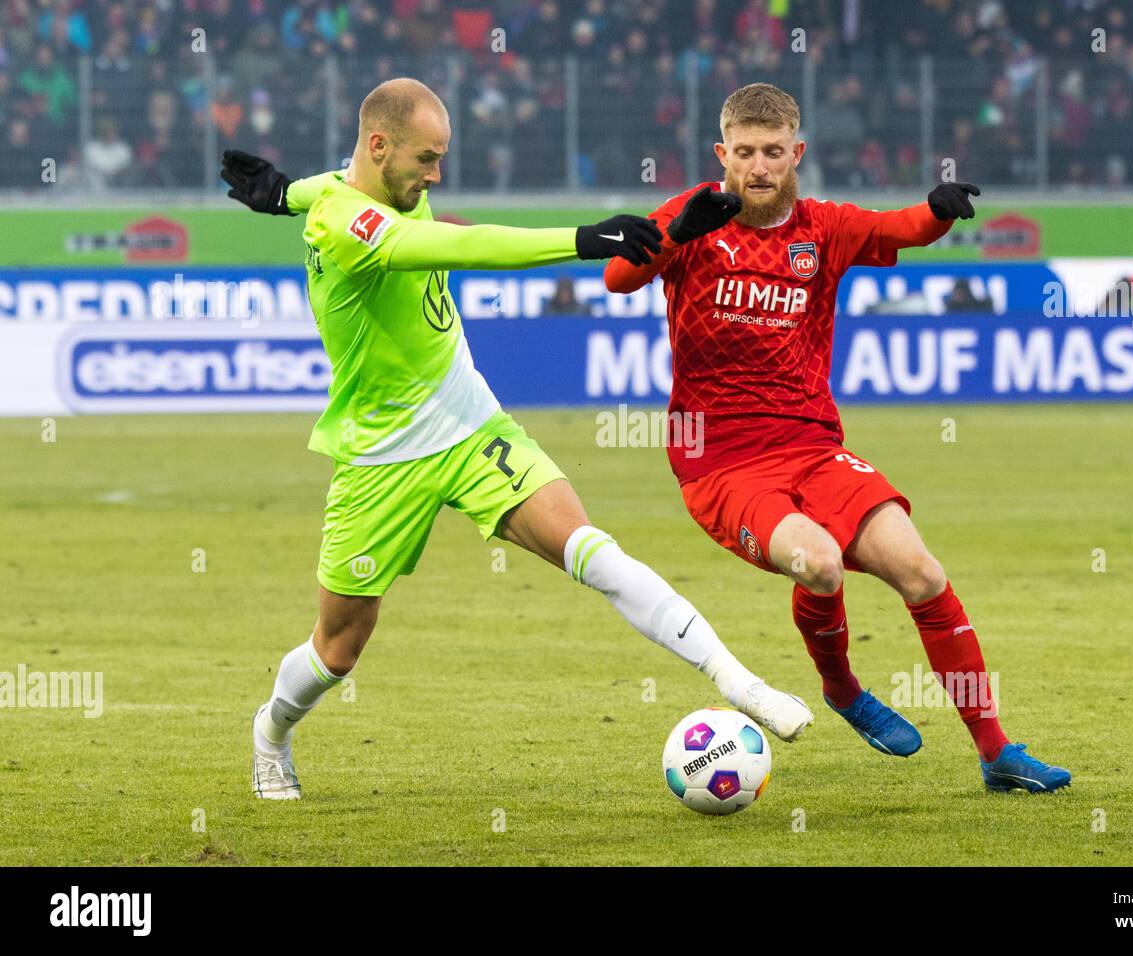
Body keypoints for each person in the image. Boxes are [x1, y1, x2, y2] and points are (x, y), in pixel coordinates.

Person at [223, 77, 813, 799]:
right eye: (427, 160)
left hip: (472, 427)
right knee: (338, 649)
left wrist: (282, 191)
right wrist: (582, 238)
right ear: (379, 147)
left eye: (440, 159)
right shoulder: (349, 226)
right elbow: (466, 247)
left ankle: (740, 682)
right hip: (380, 458)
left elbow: (322, 187)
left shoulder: (366, 186)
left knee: (593, 552)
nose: (436, 176)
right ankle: (271, 732)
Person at [605, 82, 1069, 792]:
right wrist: (675, 231)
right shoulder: (692, 218)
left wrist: (939, 212)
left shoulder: (823, 227)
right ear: (722, 153)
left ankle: (997, 752)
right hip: (722, 465)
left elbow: (899, 227)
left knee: (923, 572)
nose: (758, 167)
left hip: (815, 448)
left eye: (773, 153)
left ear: (798, 153)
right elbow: (616, 276)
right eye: (745, 153)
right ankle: (843, 687)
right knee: (818, 563)